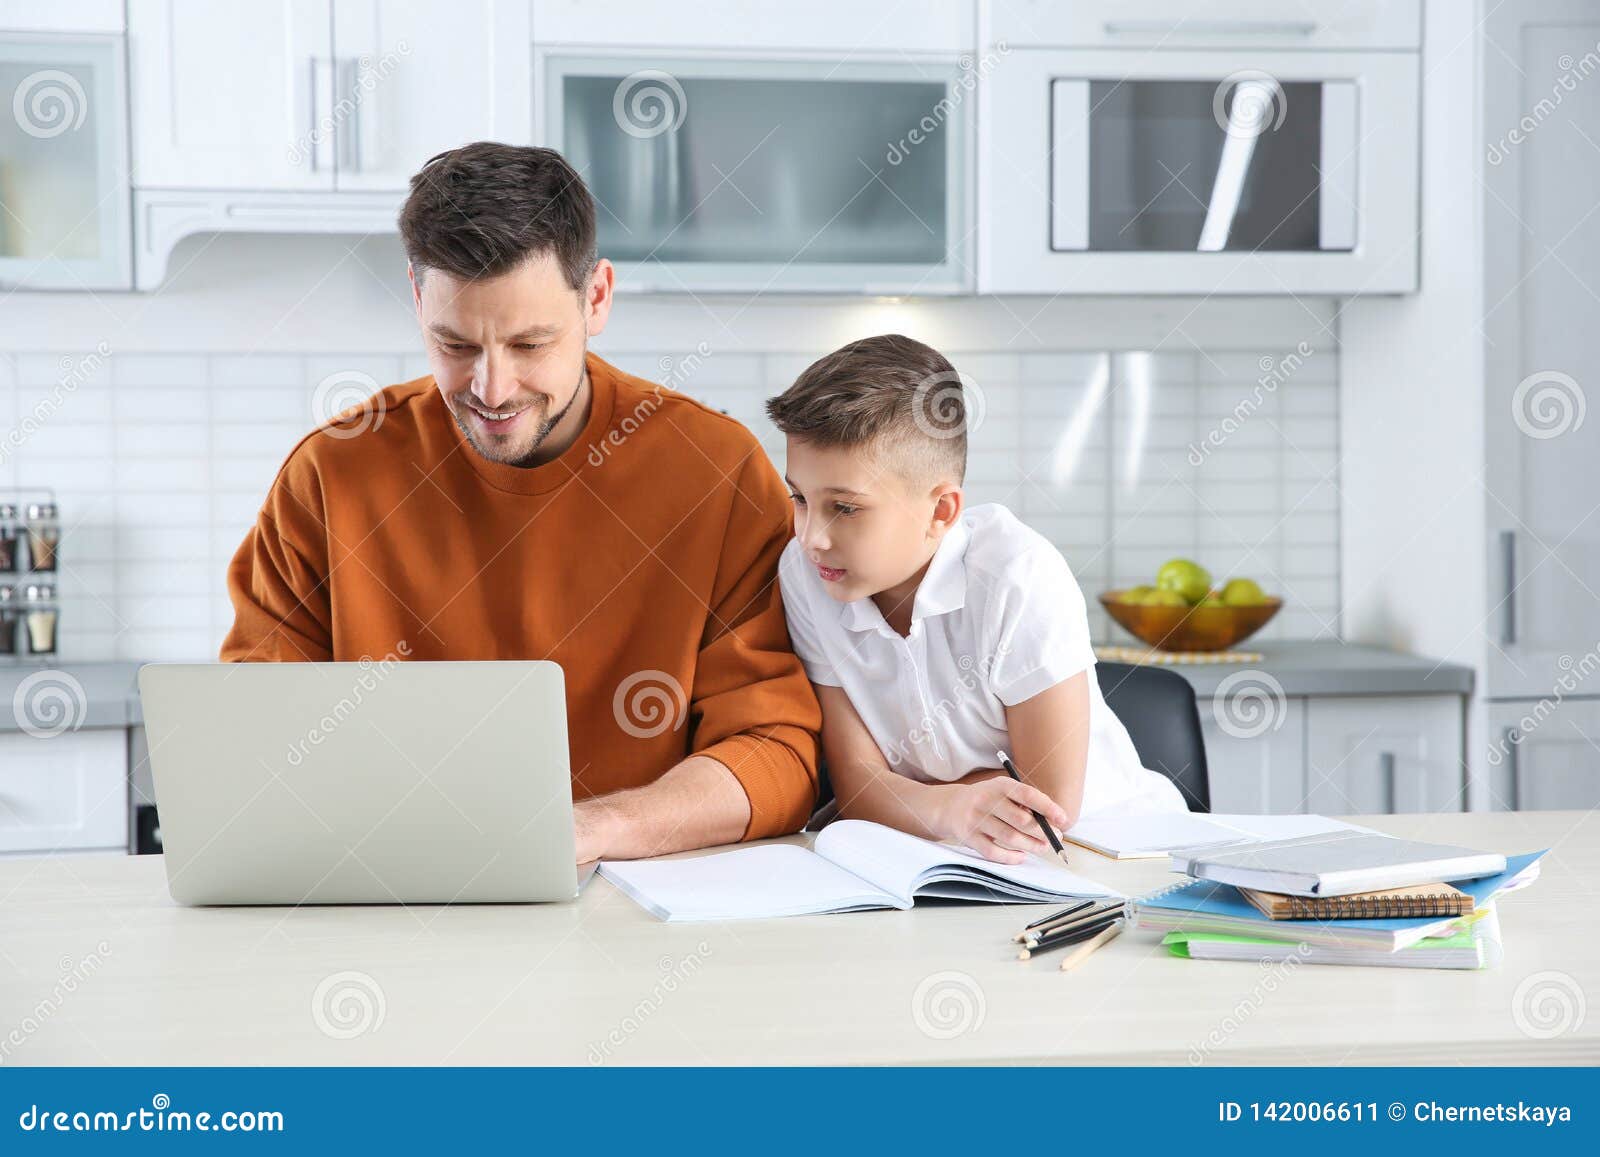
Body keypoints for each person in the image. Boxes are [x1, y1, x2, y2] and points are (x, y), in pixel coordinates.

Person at [221, 142, 821, 863]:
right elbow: (254, 743)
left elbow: (775, 751)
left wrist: (590, 831)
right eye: (455, 343)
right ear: (417, 300)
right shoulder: (329, 476)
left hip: (635, 921)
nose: (493, 389)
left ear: (597, 297)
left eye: (531, 343)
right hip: (390, 907)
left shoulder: (716, 473)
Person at [767, 334, 1187, 864]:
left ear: (941, 512)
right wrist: (950, 806)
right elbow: (855, 787)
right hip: (945, 850)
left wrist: (906, 796)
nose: (812, 537)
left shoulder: (1017, 576)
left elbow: (1046, 806)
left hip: (1112, 852)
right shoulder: (805, 574)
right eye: (800, 499)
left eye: (846, 509)